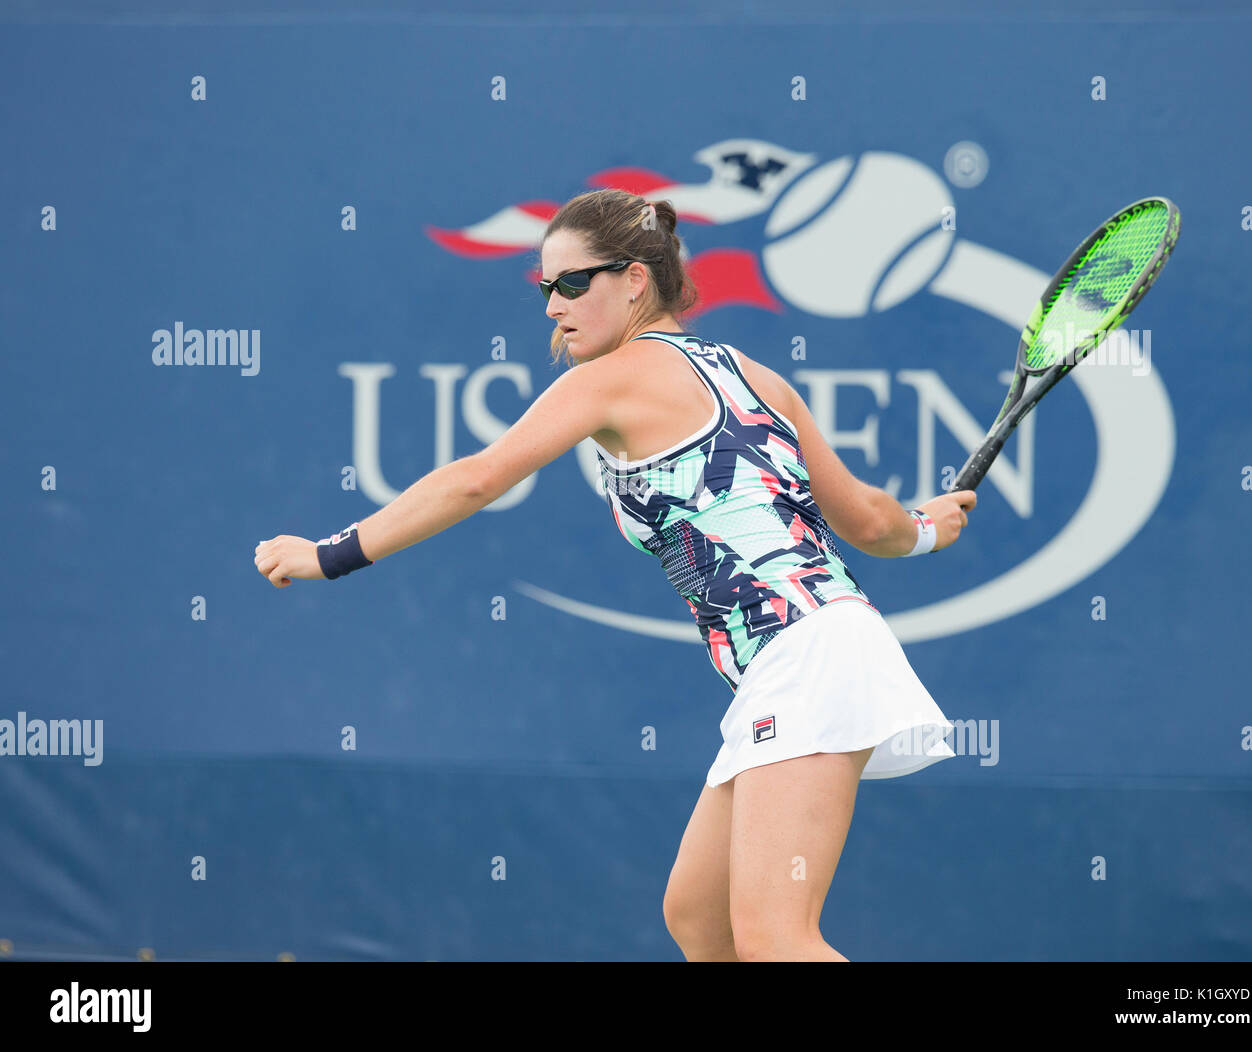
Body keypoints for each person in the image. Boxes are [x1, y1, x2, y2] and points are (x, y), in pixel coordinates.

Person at [253, 187, 977, 962]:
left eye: (572, 283)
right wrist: (926, 529)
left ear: (635, 280)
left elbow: (476, 479)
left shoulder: (610, 379)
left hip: (806, 656)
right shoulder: (761, 378)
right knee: (699, 919)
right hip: (809, 653)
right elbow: (868, 522)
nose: (552, 306)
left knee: (776, 937)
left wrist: (331, 553)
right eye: (544, 287)